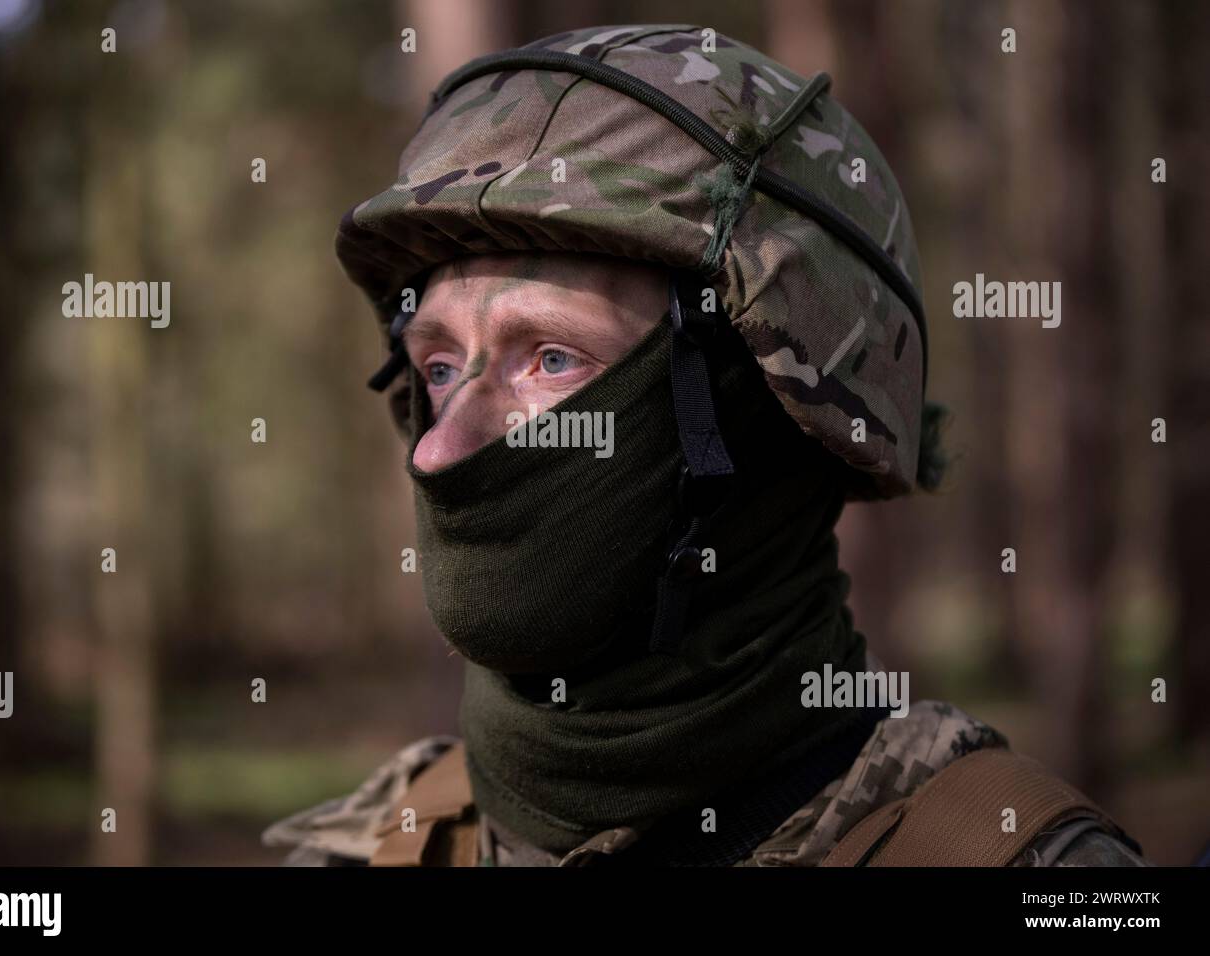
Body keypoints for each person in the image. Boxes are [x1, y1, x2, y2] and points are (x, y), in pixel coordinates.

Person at [263, 23, 1148, 867]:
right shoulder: (378, 843)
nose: (440, 450)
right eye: (442, 366)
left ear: (770, 409)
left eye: (552, 358)